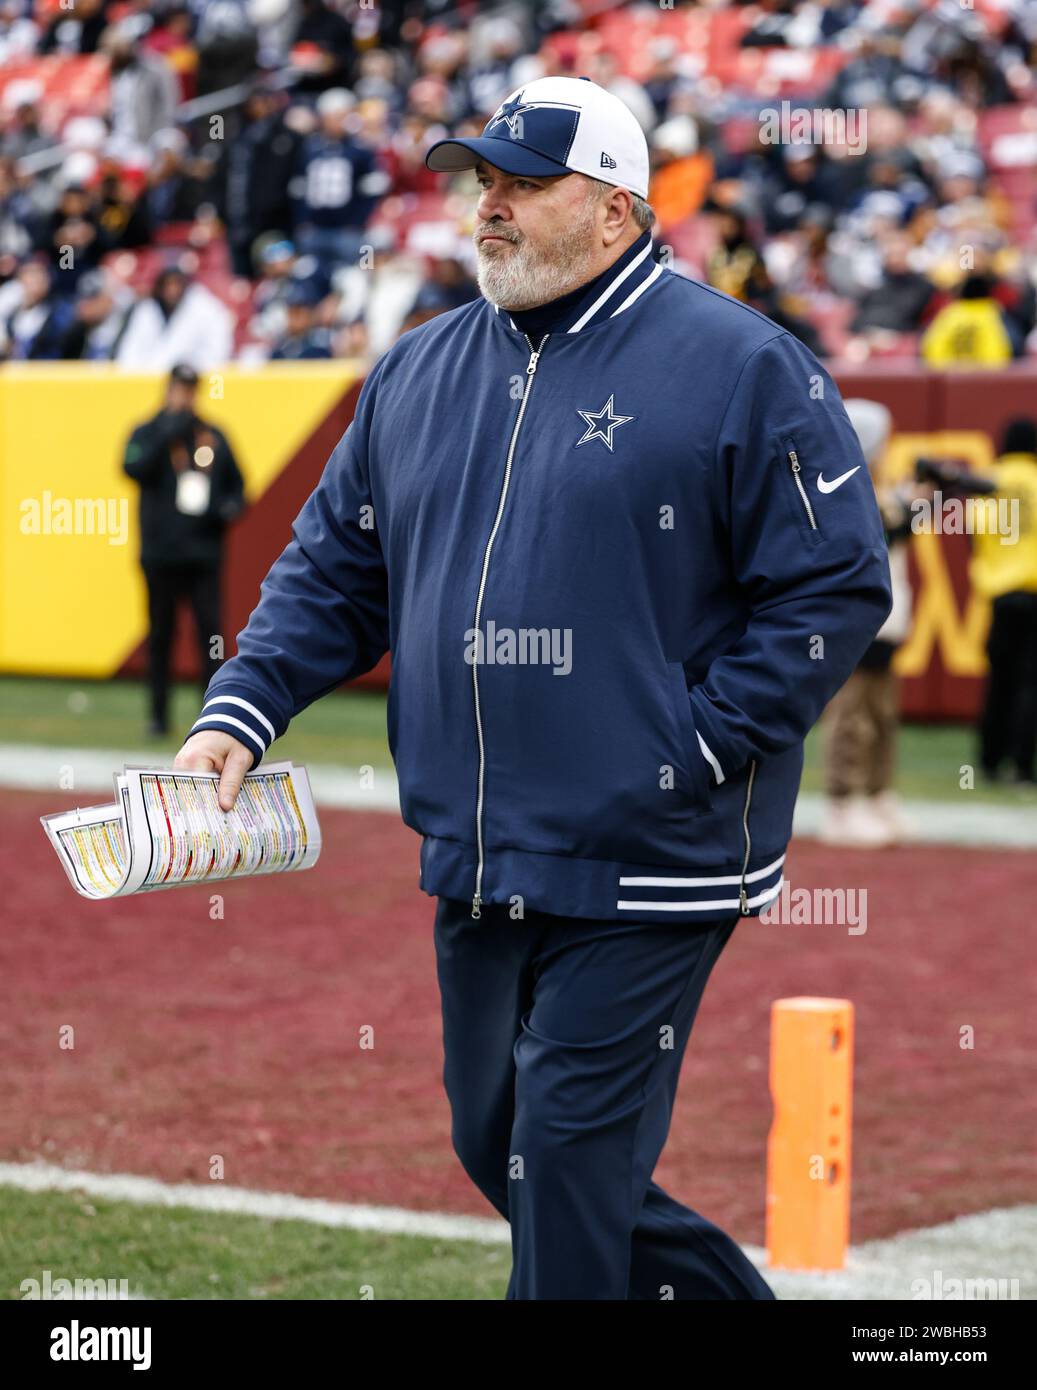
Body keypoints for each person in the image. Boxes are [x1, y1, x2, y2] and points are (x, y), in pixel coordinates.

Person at [174, 77, 891, 1300]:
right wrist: (237, 712)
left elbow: (832, 589)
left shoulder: (741, 363)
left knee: (560, 1157)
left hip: (654, 845)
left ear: (615, 209)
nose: (488, 207)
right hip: (478, 841)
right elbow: (331, 572)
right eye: (481, 182)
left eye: (520, 183)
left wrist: (694, 742)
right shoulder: (416, 370)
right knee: (499, 1141)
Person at [123, 364, 246, 736]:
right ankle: (158, 717)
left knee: (210, 638)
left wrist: (227, 508)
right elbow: (131, 466)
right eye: (180, 389)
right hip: (161, 553)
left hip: (202, 554)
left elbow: (239, 487)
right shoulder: (147, 431)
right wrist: (169, 431)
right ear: (168, 389)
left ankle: (210, 717)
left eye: (191, 390)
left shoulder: (214, 435)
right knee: (160, 635)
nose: (186, 397)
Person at [819, 399, 918, 847]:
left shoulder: (882, 493)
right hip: (854, 623)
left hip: (888, 623)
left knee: (882, 715)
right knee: (850, 715)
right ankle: (842, 802)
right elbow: (874, 536)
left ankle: (877, 793)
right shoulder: (844, 489)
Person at [971, 418, 1037, 784]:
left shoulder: (989, 481)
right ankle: (1023, 767)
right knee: (1030, 685)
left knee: (999, 680)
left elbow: (976, 535)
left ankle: (990, 761)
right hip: (1034, 592)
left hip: (1001, 594)